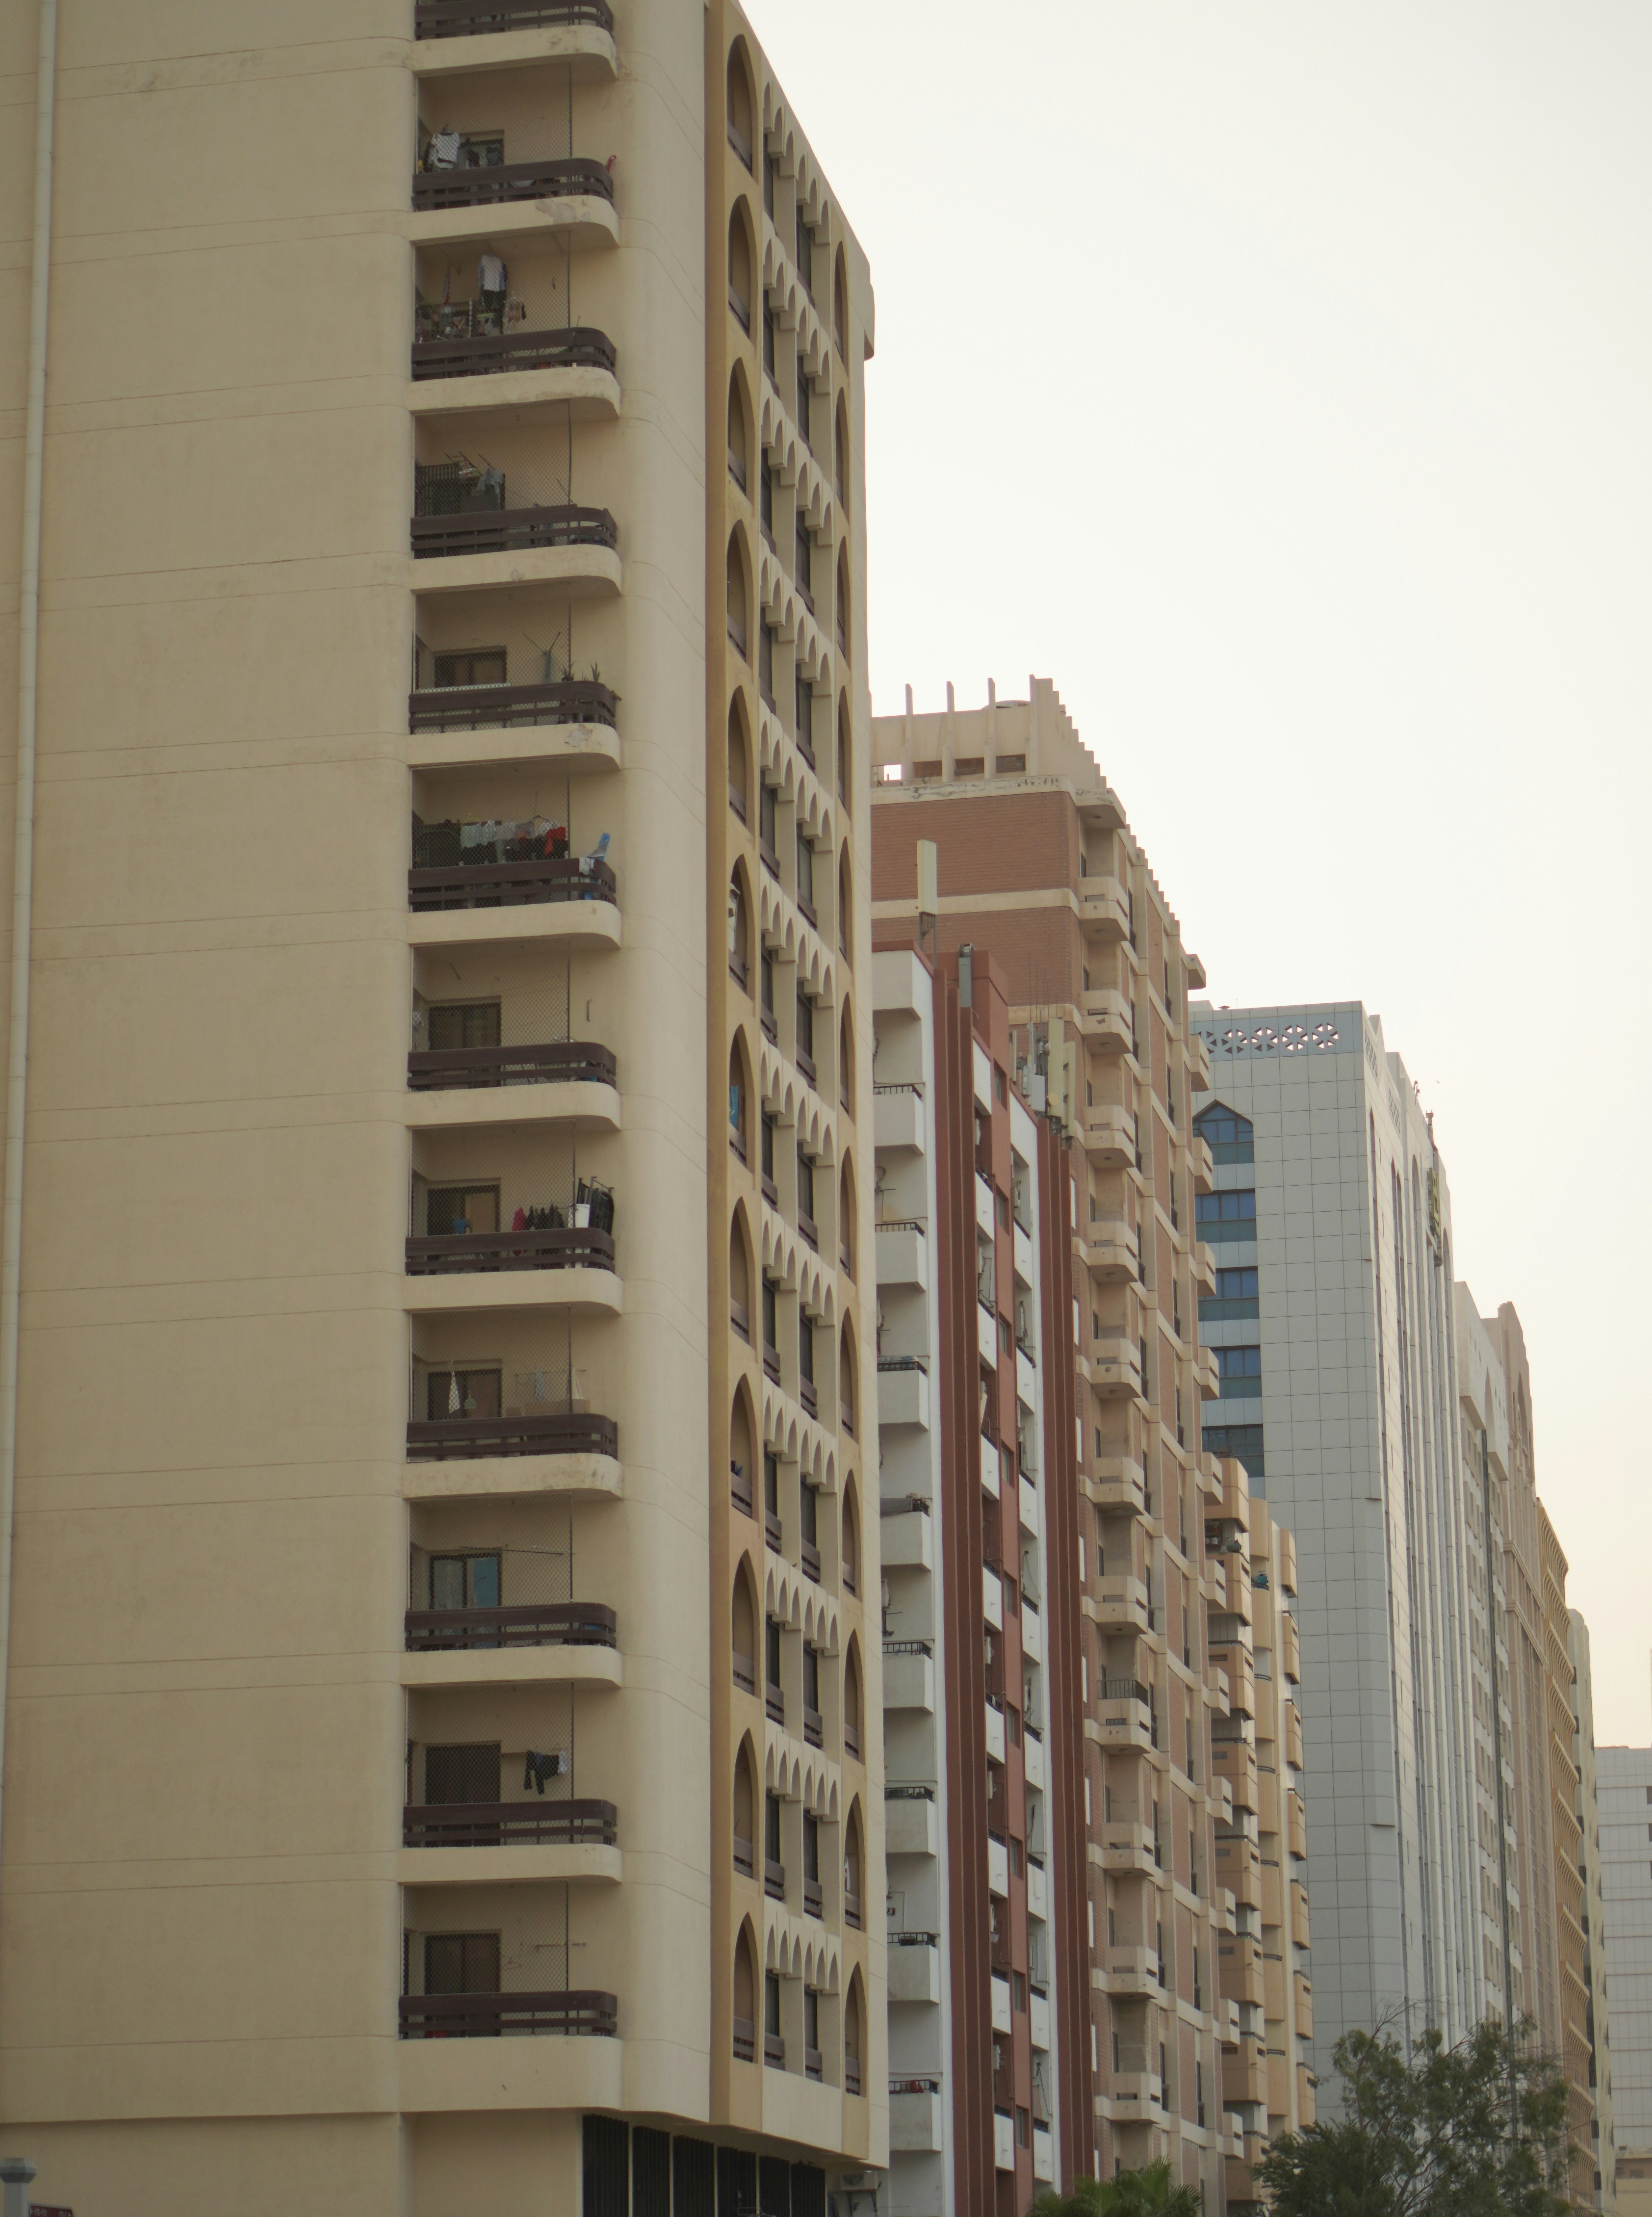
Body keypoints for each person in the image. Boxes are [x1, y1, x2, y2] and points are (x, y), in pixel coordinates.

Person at [477, 249, 507, 334]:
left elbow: (480, 273)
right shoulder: (486, 259)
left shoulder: (498, 261)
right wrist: (502, 287)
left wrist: (481, 284)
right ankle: (487, 325)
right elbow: (501, 275)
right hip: (494, 287)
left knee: (488, 306)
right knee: (488, 306)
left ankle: (497, 327)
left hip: (488, 286)